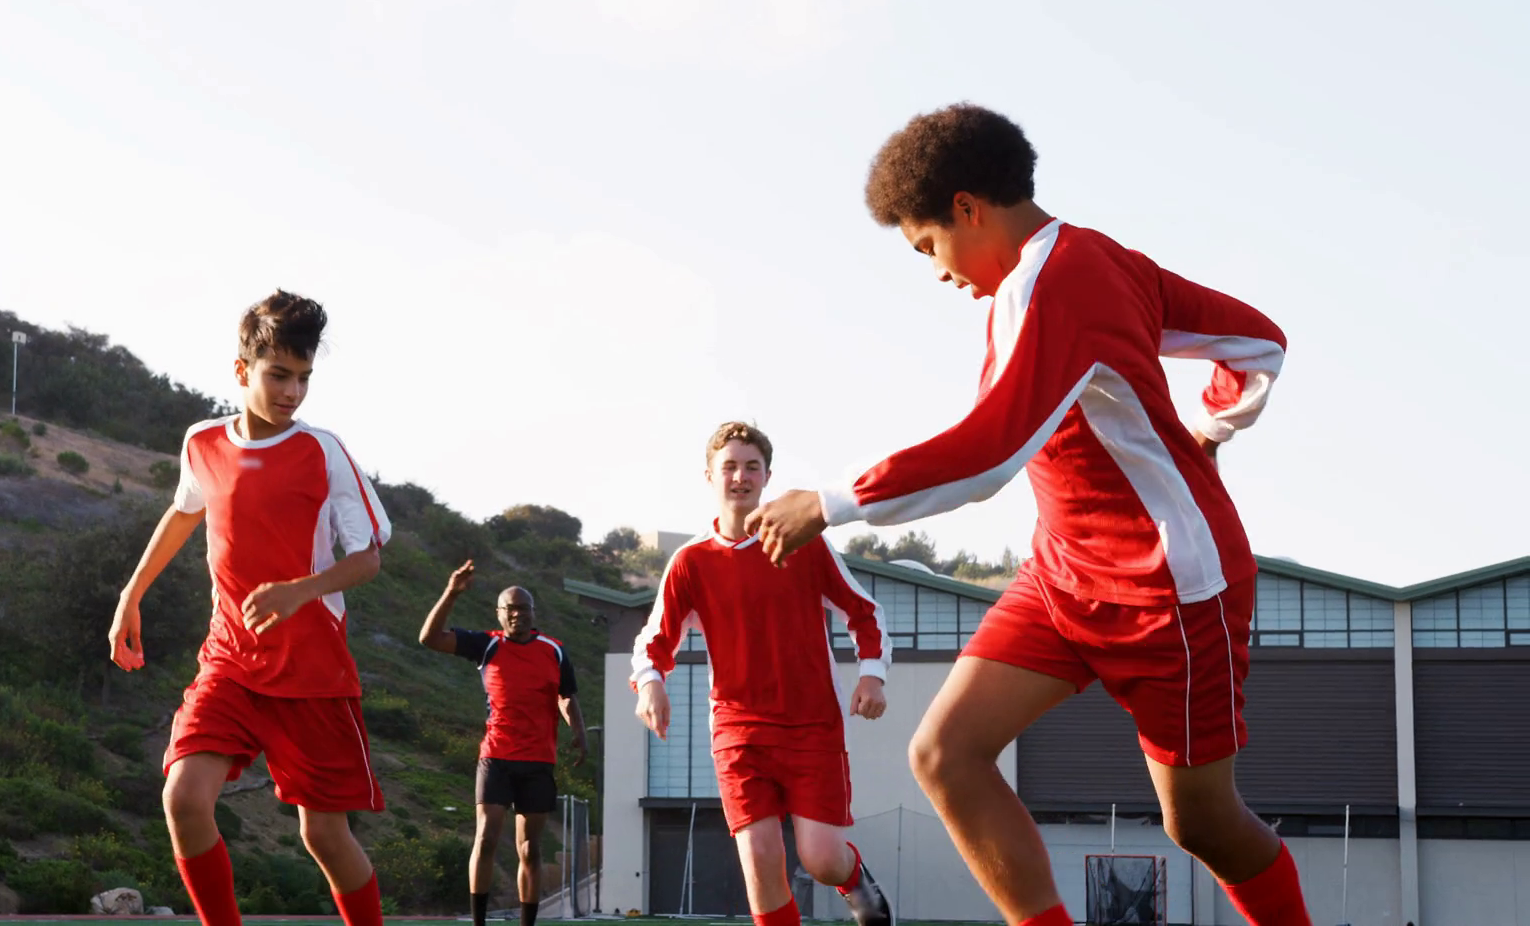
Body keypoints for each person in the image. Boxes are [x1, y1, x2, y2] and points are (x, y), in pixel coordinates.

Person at [746, 103, 1307, 926]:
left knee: (1204, 826)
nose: (936, 271)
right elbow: (1257, 345)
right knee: (945, 754)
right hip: (1063, 579)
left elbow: (988, 451)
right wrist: (1211, 425)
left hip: (1173, 597)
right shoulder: (1090, 261)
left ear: (969, 209)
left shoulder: (1061, 280)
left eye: (928, 245)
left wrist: (830, 502)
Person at [106, 290, 392, 926]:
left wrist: (299, 590)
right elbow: (184, 512)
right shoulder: (203, 442)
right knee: (182, 796)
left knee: (323, 837)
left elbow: (368, 557)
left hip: (313, 672)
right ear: (243, 371)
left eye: (304, 378)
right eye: (278, 375)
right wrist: (132, 593)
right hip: (230, 661)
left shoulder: (324, 451)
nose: (293, 392)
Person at [632, 421, 897, 926]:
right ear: (709, 477)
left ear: (766, 476)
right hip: (738, 730)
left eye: (751, 466)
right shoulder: (689, 562)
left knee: (820, 858)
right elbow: (654, 638)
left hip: (812, 726)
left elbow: (865, 612)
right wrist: (650, 683)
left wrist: (871, 675)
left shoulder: (801, 543)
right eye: (728, 466)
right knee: (760, 863)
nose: (740, 476)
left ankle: (854, 878)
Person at [420, 561, 588, 926]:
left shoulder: (554, 650)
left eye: (523, 608)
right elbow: (429, 638)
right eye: (509, 609)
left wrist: (578, 729)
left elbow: (566, 696)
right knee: (486, 836)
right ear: (500, 614)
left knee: (529, 847)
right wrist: (451, 592)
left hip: (538, 760)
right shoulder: (486, 645)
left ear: (533, 613)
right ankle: (479, 922)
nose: (517, 615)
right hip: (496, 756)